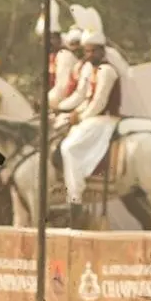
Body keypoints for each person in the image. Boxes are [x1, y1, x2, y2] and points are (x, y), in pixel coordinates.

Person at [56, 18, 123, 207]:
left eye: (94, 50)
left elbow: (99, 103)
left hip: (104, 120)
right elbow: (79, 95)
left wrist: (79, 117)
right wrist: (59, 108)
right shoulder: (87, 68)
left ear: (102, 50)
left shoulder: (107, 70)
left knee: (68, 148)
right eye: (87, 50)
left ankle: (75, 197)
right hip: (89, 117)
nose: (90, 54)